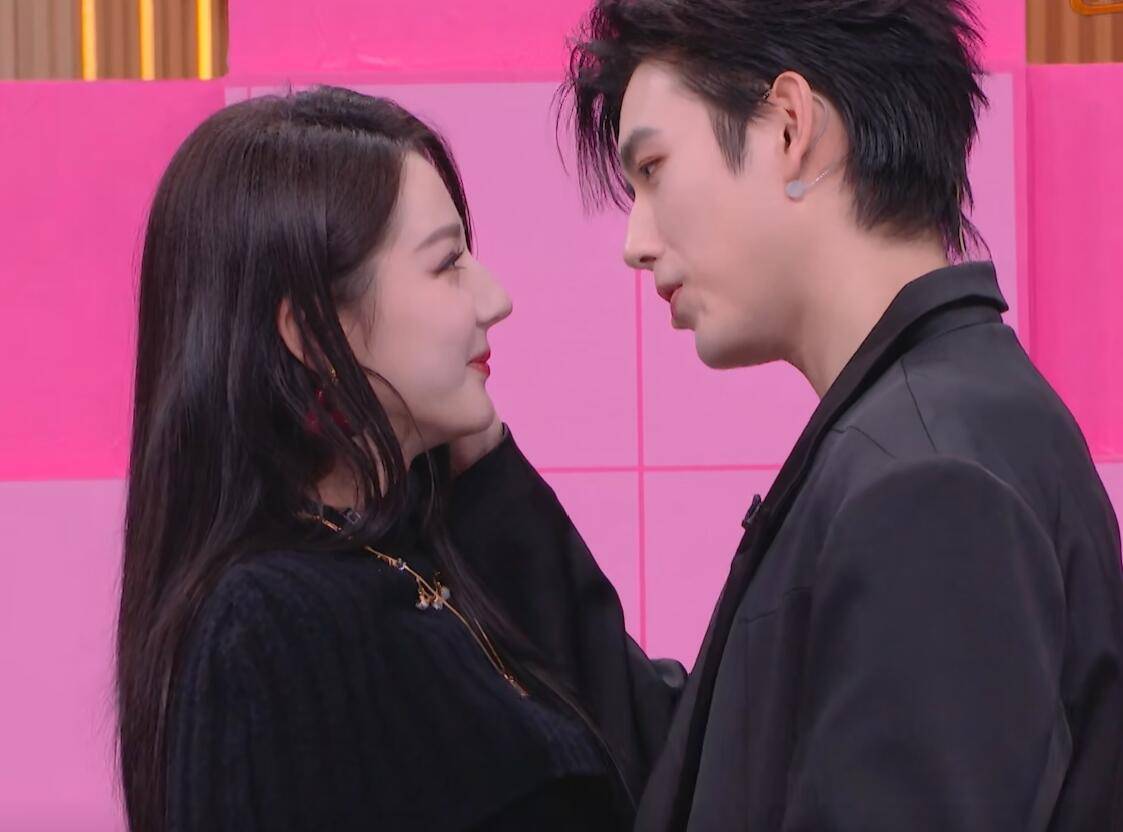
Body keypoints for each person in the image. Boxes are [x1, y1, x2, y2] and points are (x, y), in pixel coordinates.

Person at [449, 1, 1123, 830]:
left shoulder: (927, 480)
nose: (635, 240)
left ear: (790, 128)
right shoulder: (934, 425)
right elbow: (712, 773)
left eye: (653, 168)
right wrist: (481, 472)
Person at [114, 86, 679, 832]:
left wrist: (490, 474)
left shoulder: (425, 547)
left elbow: (657, 754)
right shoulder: (264, 624)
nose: (495, 298)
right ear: (313, 330)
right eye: (447, 263)